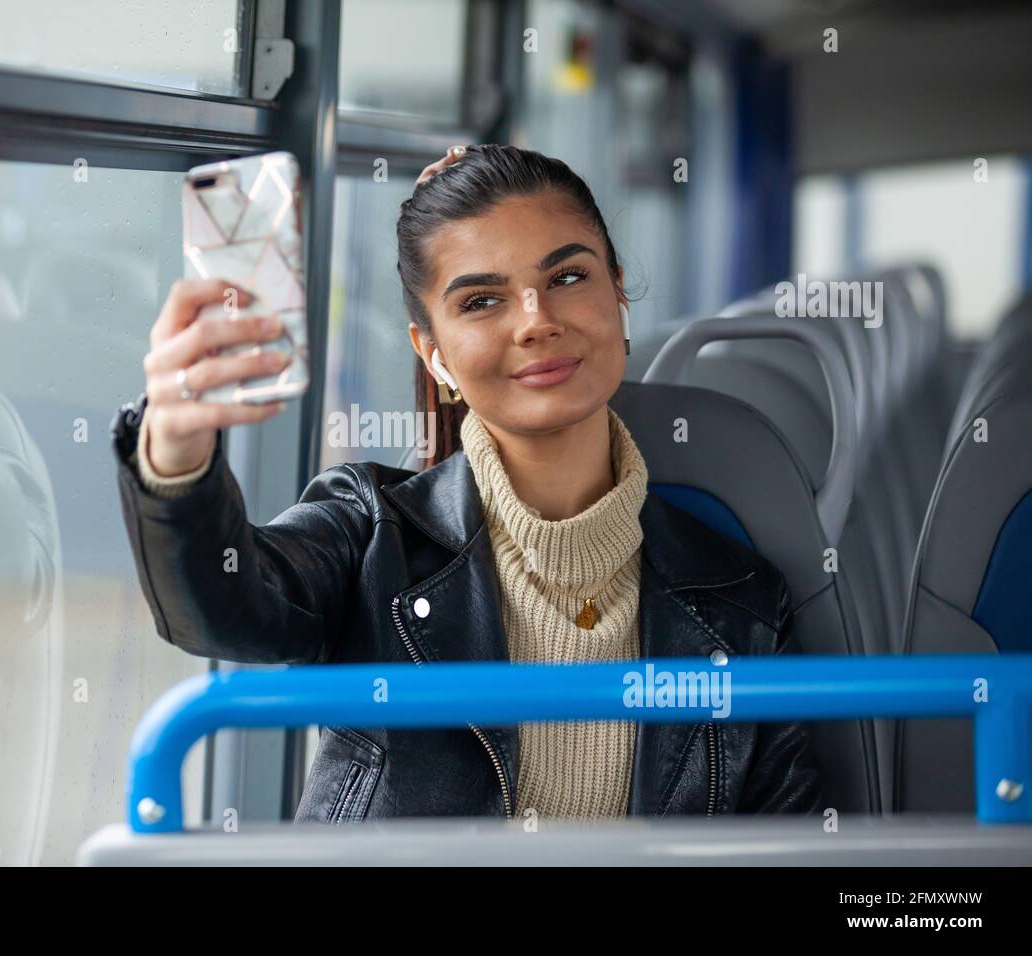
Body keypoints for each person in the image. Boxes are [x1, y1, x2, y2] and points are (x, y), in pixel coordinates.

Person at [110, 143, 821, 822]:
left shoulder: (742, 602)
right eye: (482, 301)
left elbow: (781, 846)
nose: (536, 322)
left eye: (568, 278)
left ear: (620, 302)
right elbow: (221, 609)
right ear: (434, 353)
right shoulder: (373, 537)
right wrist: (175, 449)